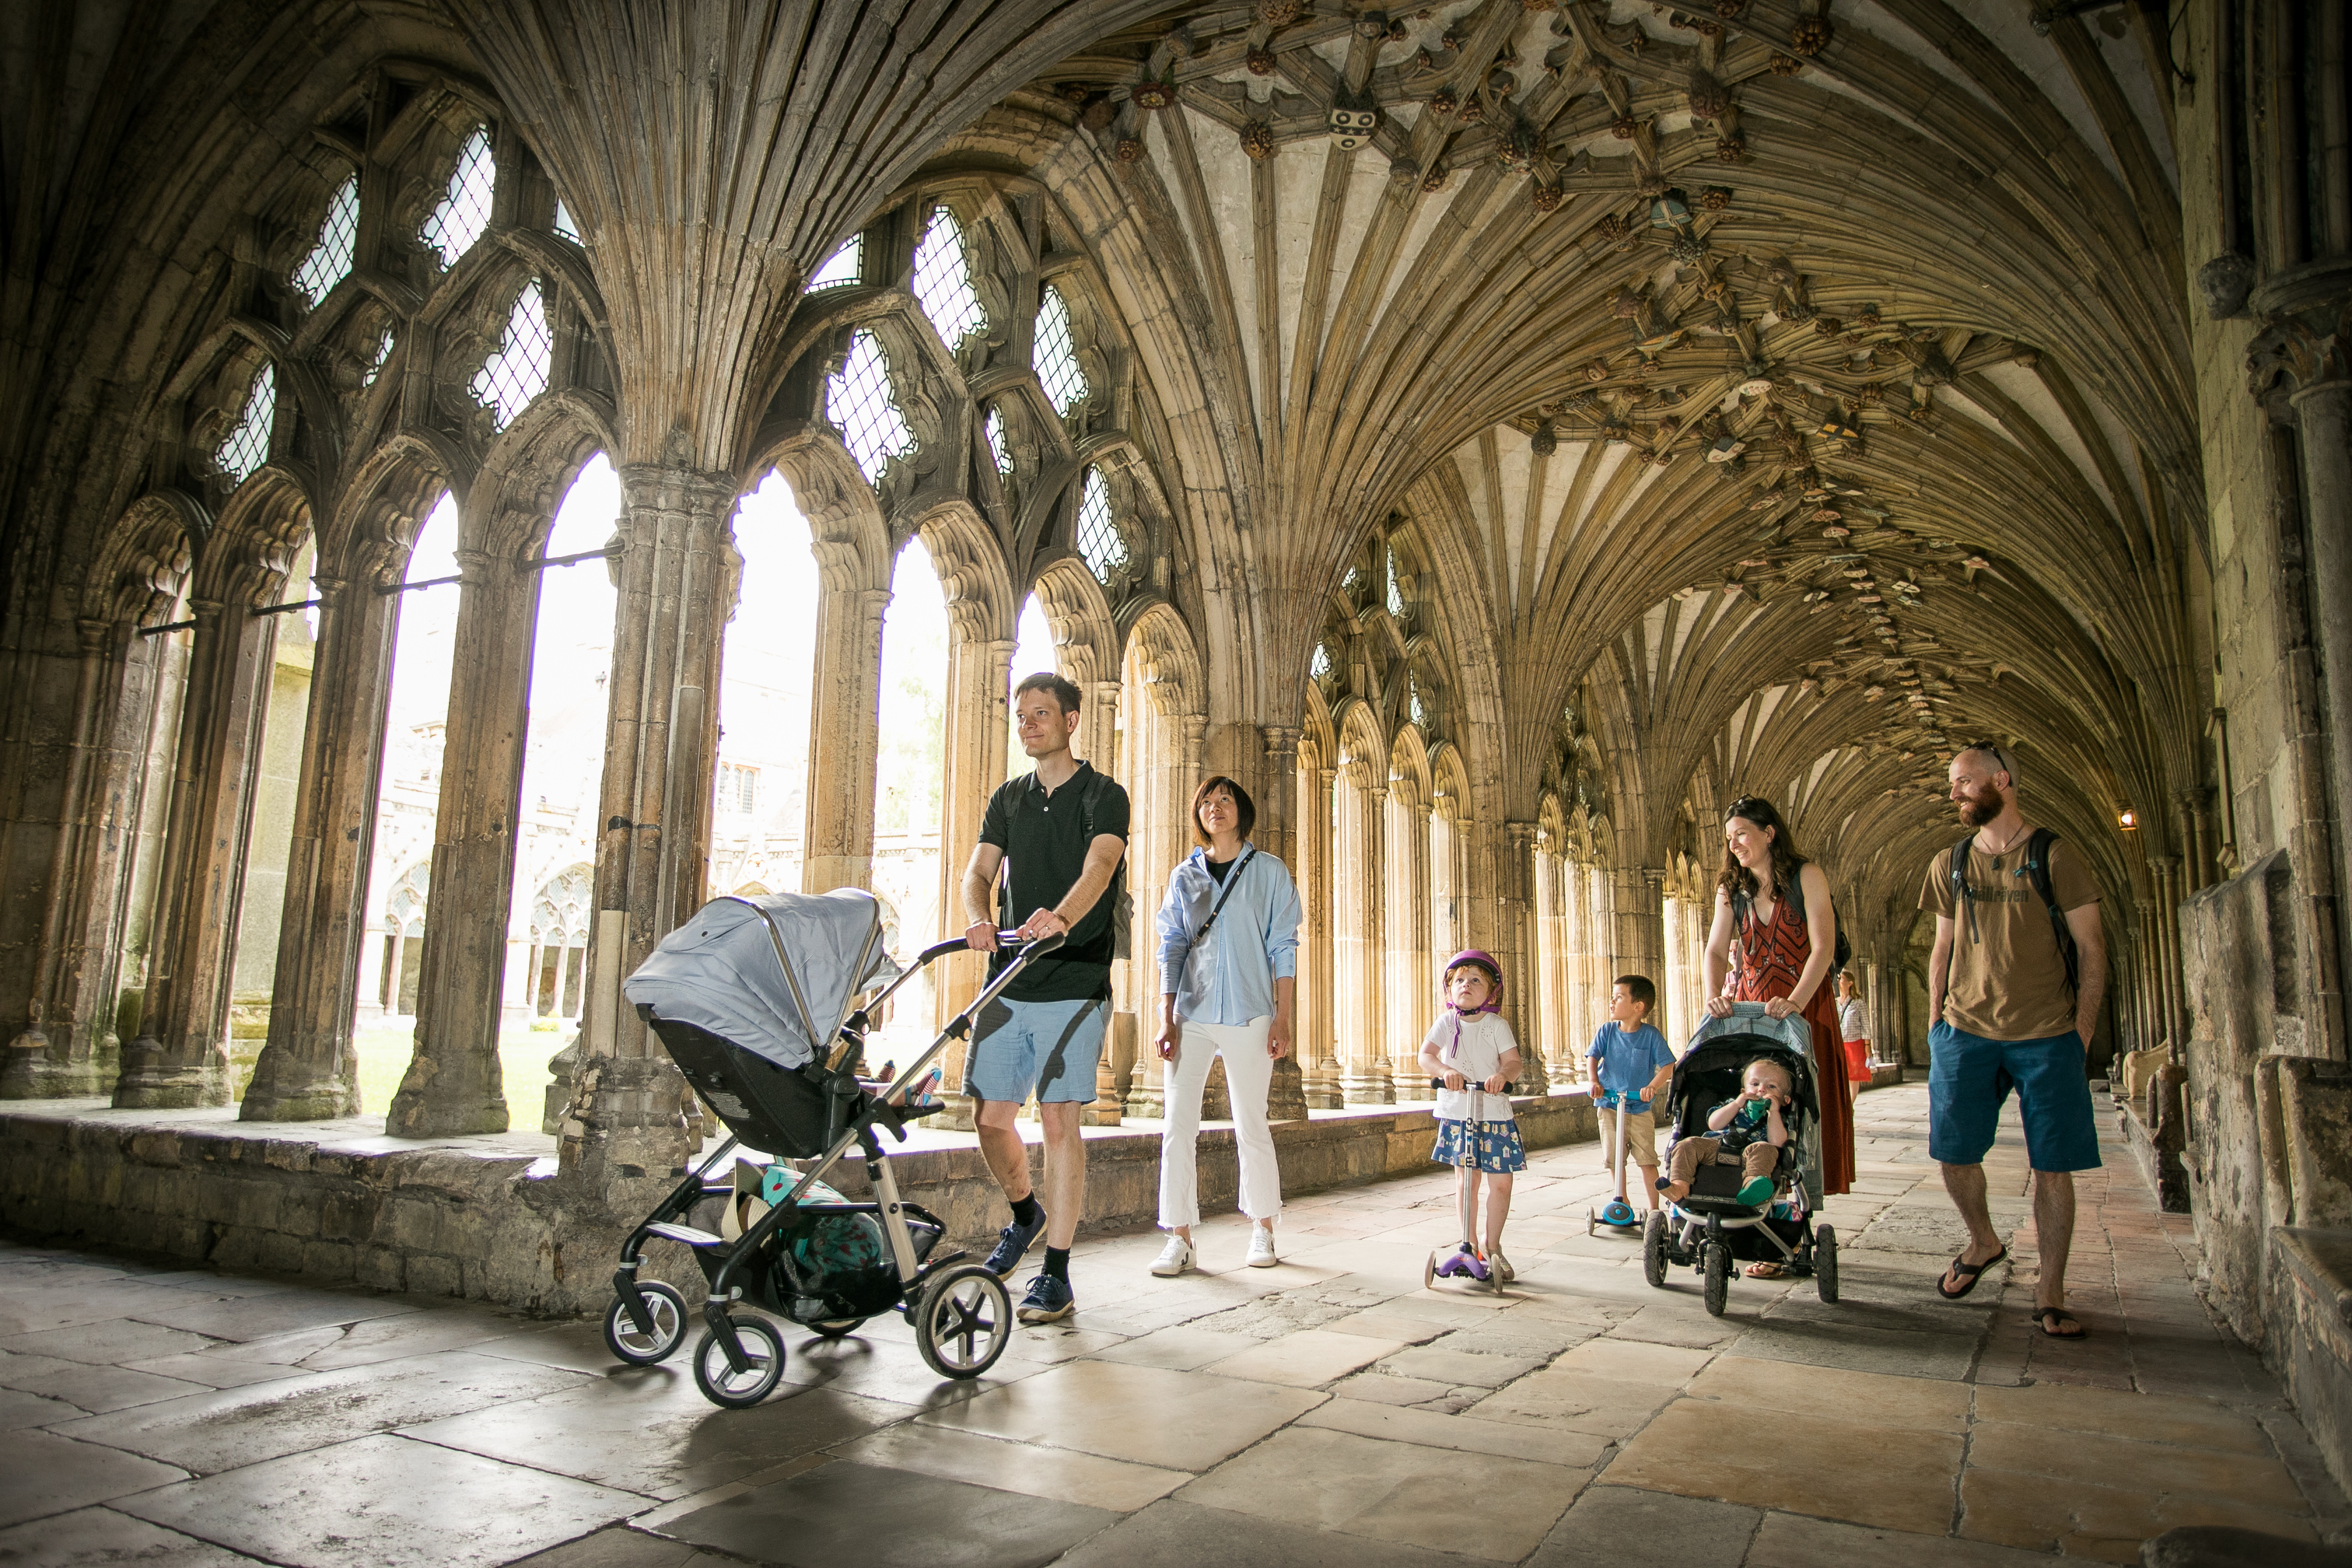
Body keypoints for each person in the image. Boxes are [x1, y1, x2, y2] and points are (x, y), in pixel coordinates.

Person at [959, 672, 1129, 1325]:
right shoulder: (1009, 798)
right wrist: (979, 915)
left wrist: (1060, 917)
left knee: (1059, 1120)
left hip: (1075, 980)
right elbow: (978, 872)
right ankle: (1026, 1211)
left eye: (1040, 714)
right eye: (1021, 715)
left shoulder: (1102, 794)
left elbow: (1101, 867)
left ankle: (1056, 1273)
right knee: (990, 1119)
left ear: (1072, 720)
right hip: (1010, 977)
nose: (1028, 724)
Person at [1920, 741, 2105, 1339]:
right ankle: (1983, 1239)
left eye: (1965, 781)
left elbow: (2092, 949)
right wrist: (1936, 1026)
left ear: (2003, 781)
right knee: (1953, 1153)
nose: (1955, 792)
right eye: (1953, 783)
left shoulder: (2057, 855)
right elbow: (1942, 947)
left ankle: (2050, 1290)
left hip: (2047, 1034)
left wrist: (2081, 1034)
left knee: (2052, 1164)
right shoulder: (1950, 861)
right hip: (1965, 1030)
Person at [1150, 776, 1302, 1276]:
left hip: (1250, 1013)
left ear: (1242, 810)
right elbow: (1170, 945)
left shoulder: (1269, 872)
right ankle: (1179, 1237)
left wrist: (1282, 1015)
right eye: (1206, 802)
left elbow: (1284, 946)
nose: (1215, 808)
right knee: (1176, 1126)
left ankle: (1263, 1227)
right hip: (1191, 1015)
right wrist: (1166, 1015)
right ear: (1198, 814)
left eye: (1226, 799)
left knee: (1251, 1123)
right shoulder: (1184, 877)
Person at [1703, 794, 1852, 1279]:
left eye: (1742, 834)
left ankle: (1787, 1226)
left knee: (1800, 1112)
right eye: (1729, 838)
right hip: (1752, 1010)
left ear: (1769, 833)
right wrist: (1714, 997)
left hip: (1804, 1008)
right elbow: (1715, 950)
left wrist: (1799, 1001)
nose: (1735, 845)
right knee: (1751, 1104)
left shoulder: (1806, 875)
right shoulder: (1732, 888)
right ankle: (1749, 1219)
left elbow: (1824, 945)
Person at [1418, 951, 1524, 1280]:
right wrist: (1445, 1070)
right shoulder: (1446, 1023)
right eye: (1459, 980)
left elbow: (1514, 1061)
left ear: (1491, 991)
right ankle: (1470, 1243)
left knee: (1502, 1183)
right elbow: (1426, 1056)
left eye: (1476, 980)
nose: (1466, 985)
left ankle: (1494, 1246)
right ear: (1450, 989)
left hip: (1494, 1114)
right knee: (1467, 1181)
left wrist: (1503, 1076)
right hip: (1458, 1113)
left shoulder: (1496, 1025)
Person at [1585, 976, 1677, 1214]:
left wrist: (1653, 1087)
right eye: (1612, 997)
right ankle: (1621, 1201)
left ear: (1638, 1007)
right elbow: (1593, 1057)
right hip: (1609, 1104)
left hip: (1639, 1108)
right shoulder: (1606, 1031)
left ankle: (1654, 1208)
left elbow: (1668, 1066)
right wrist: (1594, 1081)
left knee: (1647, 1159)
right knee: (1614, 1157)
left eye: (1619, 997)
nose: (1612, 1002)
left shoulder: (1650, 1035)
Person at [1658, 1055, 1793, 1208]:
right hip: (1715, 1147)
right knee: (1686, 1145)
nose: (1761, 1090)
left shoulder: (1778, 1119)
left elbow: (1778, 1144)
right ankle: (1679, 1187)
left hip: (1750, 1153)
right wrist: (1736, 1104)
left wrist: (1774, 1112)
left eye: (1771, 1087)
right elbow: (1714, 1125)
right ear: (1743, 1091)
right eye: (1755, 1084)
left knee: (1766, 1149)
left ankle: (1751, 1187)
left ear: (1785, 1100)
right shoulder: (1731, 1105)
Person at [1837, 972, 1872, 1109]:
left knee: (1853, 1076)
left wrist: (1867, 1046)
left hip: (1855, 1043)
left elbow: (1866, 1025)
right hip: (1840, 1043)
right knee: (1841, 1074)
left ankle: (1849, 1105)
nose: (1839, 981)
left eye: (1842, 979)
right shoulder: (1835, 1002)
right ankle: (1842, 1102)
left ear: (1850, 983)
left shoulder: (1858, 1003)